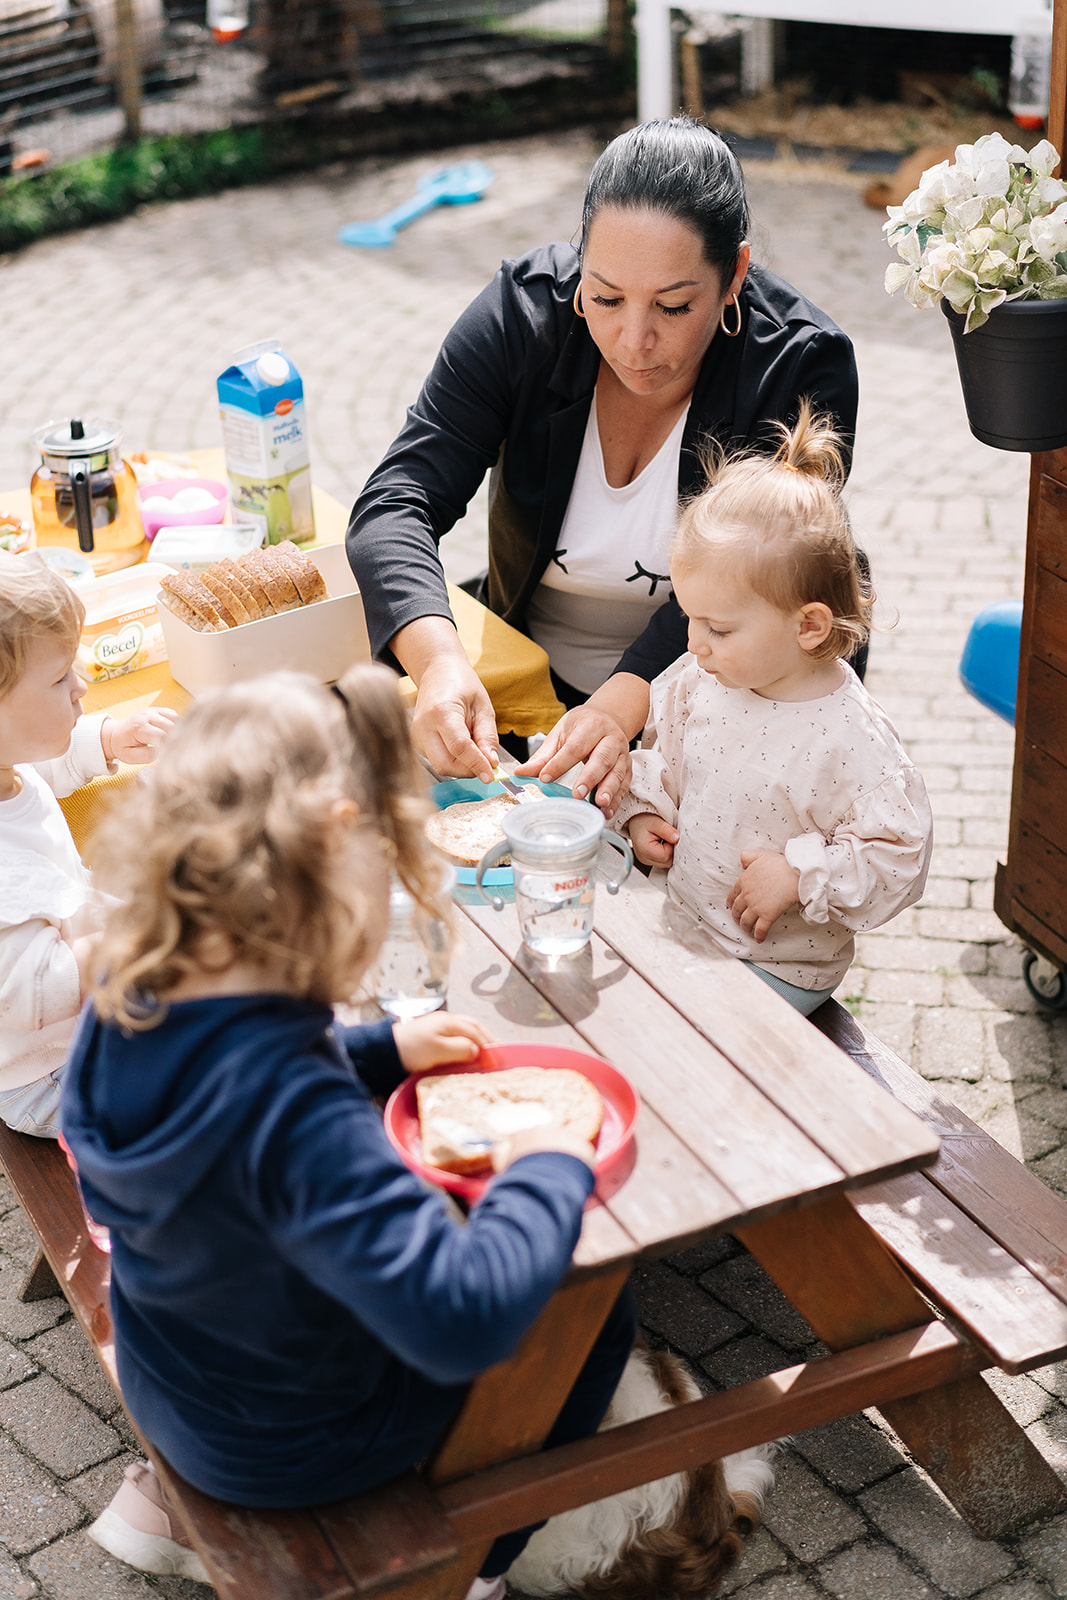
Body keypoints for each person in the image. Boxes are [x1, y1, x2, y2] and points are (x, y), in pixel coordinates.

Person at [61, 666, 635, 1597]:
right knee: (592, 1302)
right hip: (307, 1446)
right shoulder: (302, 1120)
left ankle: (159, 1506)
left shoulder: (137, 984)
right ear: (338, 850)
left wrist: (376, 1052)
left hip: (179, 1382)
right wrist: (542, 1168)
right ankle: (480, 1572)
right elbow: (460, 1324)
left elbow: (211, 1133)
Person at [347, 117, 858, 815]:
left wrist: (623, 703)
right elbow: (396, 502)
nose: (633, 340)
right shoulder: (521, 315)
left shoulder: (799, 365)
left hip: (737, 703)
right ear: (578, 263)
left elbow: (759, 584)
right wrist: (438, 662)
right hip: (529, 671)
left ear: (734, 274)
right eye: (605, 296)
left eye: (674, 306)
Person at [614, 405, 932, 1014]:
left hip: (780, 966)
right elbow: (666, 756)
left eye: (719, 627)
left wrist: (799, 874)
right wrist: (644, 810)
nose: (693, 642)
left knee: (708, 1062)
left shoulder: (849, 738)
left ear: (808, 626)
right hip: (685, 920)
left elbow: (898, 854)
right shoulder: (703, 677)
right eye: (690, 618)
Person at [0, 551, 175, 1138]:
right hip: (47, 1073)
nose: (80, 688)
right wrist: (146, 940)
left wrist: (105, 738)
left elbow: (38, 775)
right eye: (58, 679)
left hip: (78, 991)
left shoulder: (8, 769)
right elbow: (34, 989)